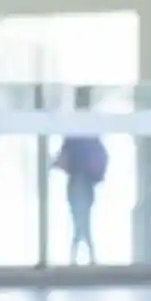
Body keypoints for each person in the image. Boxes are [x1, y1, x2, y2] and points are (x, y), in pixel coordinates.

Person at [53, 86, 108, 265]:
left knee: (80, 219)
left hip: (77, 179)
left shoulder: (75, 126)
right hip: (86, 180)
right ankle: (85, 257)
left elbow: (67, 153)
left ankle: (79, 257)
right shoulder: (91, 127)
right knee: (82, 218)